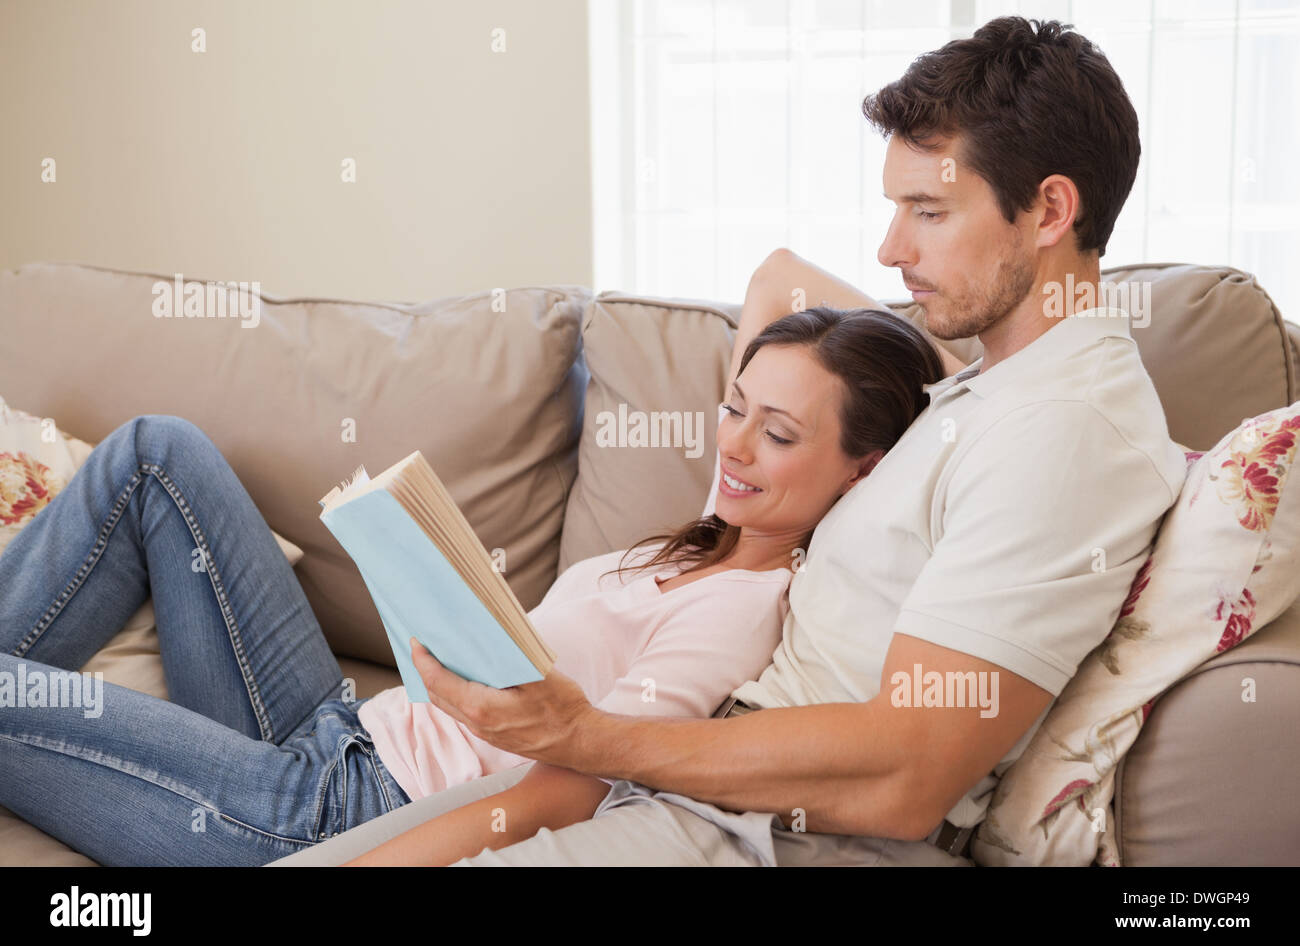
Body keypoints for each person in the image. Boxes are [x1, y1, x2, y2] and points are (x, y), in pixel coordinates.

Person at [277, 15, 1189, 867]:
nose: (888, 249)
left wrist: (583, 735)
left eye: (929, 211)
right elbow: (785, 283)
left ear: (1050, 210)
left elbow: (911, 776)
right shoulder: (1004, 379)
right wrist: (957, 313)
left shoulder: (1064, 434)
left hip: (766, 831)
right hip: (696, 779)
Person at [0, 304, 944, 865]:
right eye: (734, 409)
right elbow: (787, 283)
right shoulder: (703, 541)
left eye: (778, 435)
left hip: (335, 812)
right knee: (158, 455)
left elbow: (570, 790)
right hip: (340, 725)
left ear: (865, 474)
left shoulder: (744, 608)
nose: (734, 446)